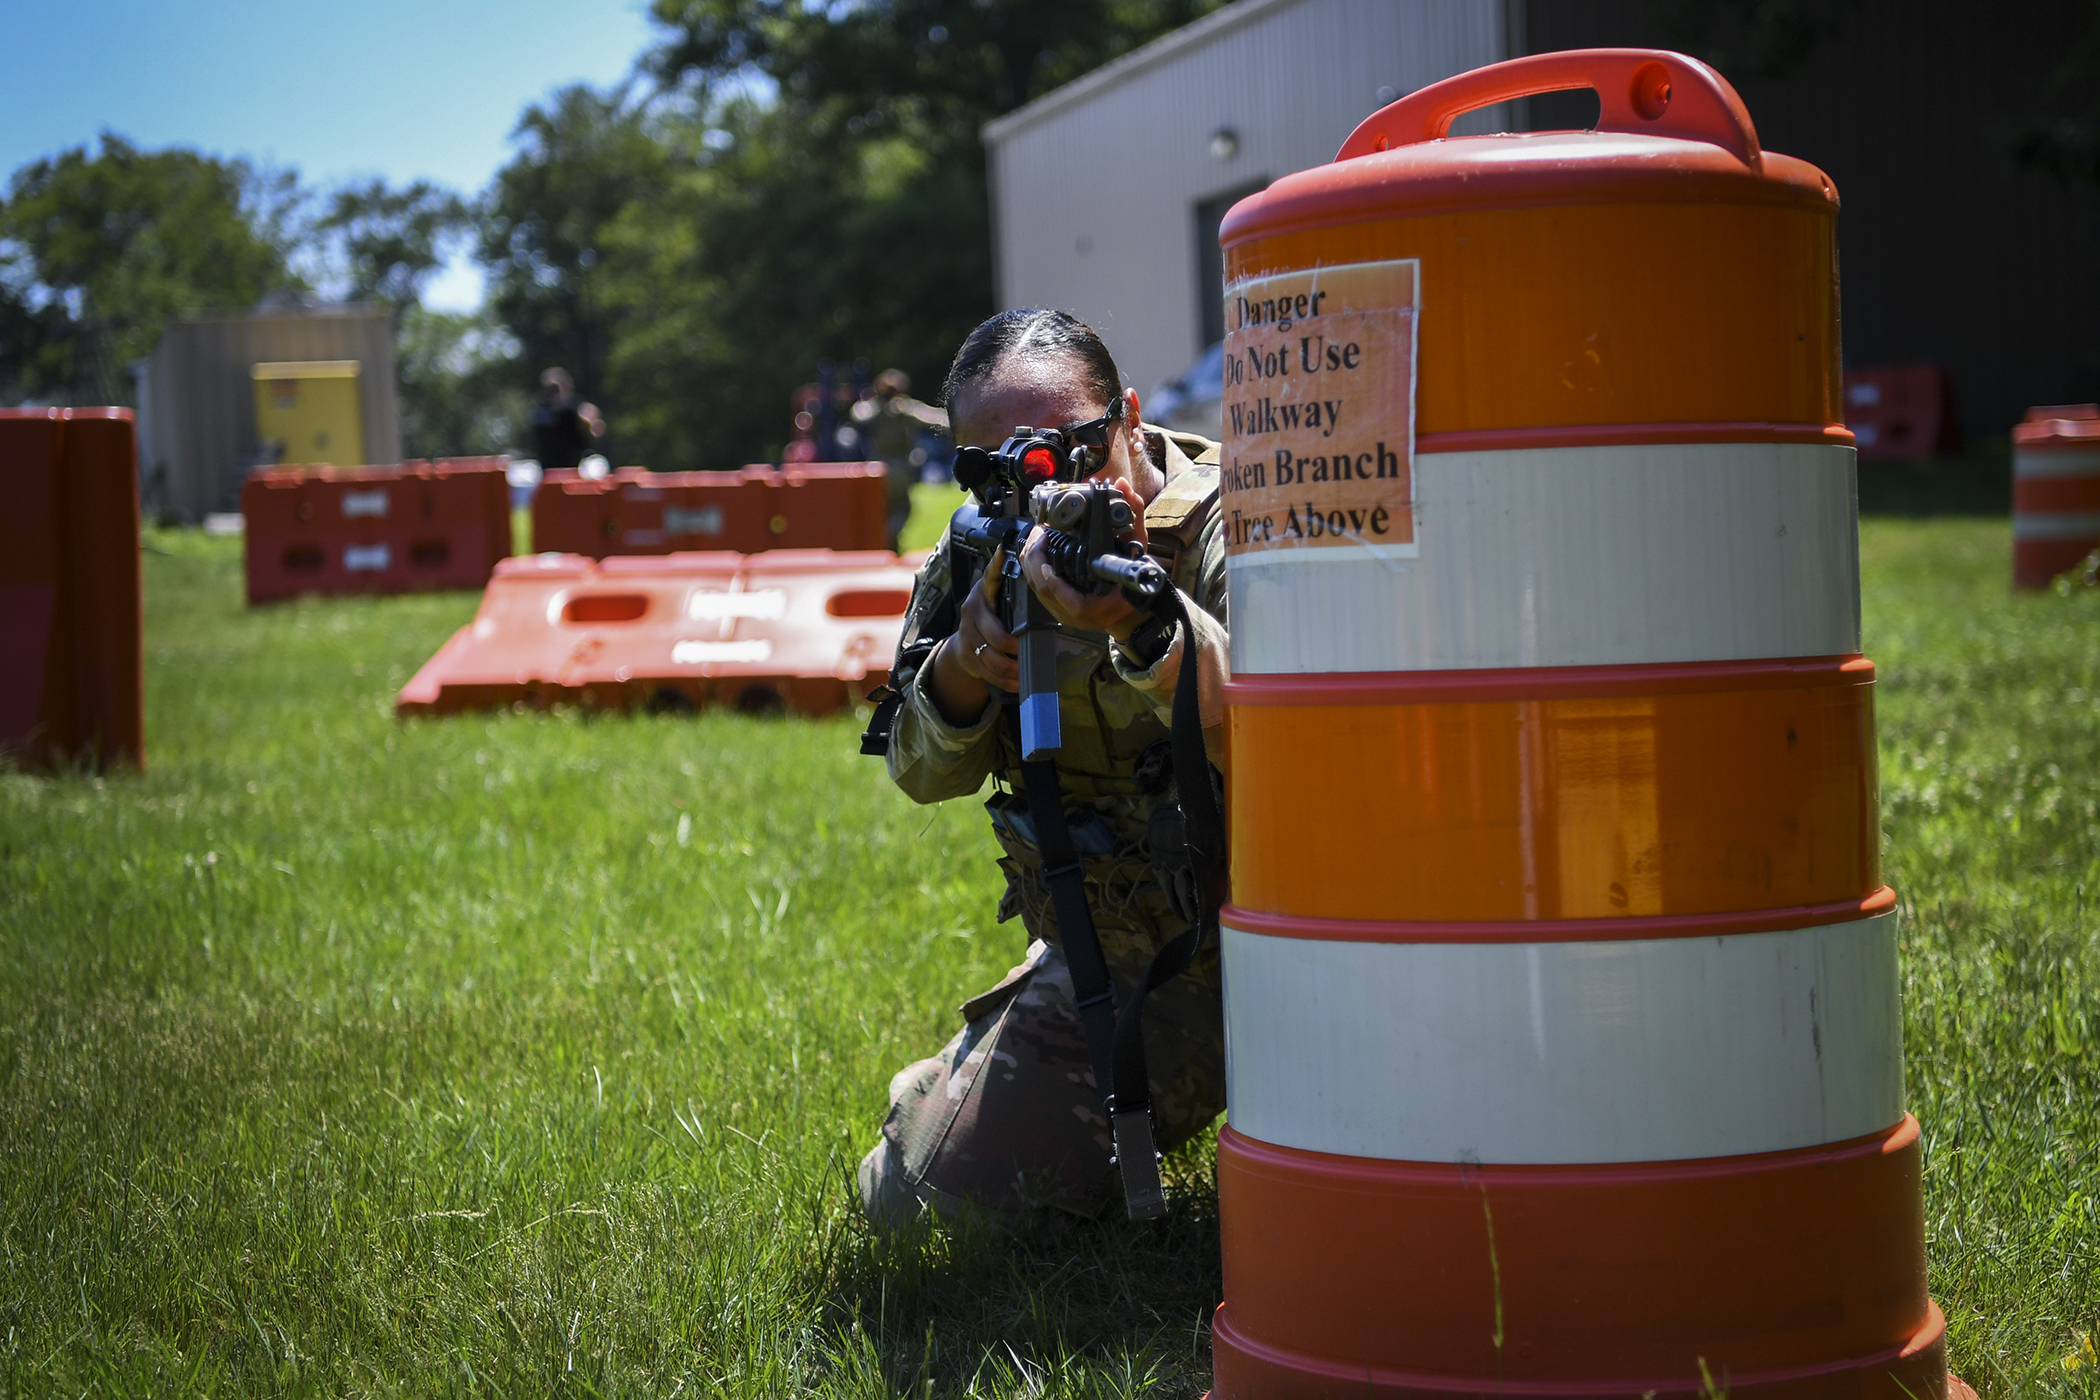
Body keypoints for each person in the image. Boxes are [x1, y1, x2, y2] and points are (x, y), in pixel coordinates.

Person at [858, 309, 1228, 1226]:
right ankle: (966, 1077)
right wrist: (966, 664)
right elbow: (919, 770)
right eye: (994, 468)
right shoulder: (981, 547)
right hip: (1126, 957)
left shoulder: (1243, 519)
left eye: (1071, 446)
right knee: (918, 1207)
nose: (1039, 485)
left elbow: (1309, 732)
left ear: (1130, 418)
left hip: (1294, 943)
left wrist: (1149, 626)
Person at [851, 368, 949, 551]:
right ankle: (889, 537)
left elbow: (857, 414)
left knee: (882, 509)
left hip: (877, 467)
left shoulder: (873, 408)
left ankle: (886, 543)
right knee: (903, 508)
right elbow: (938, 420)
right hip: (899, 467)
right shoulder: (905, 408)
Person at [530, 368, 606, 472]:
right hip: (550, 468)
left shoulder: (576, 408)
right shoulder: (542, 413)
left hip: (577, 465)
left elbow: (595, 429)